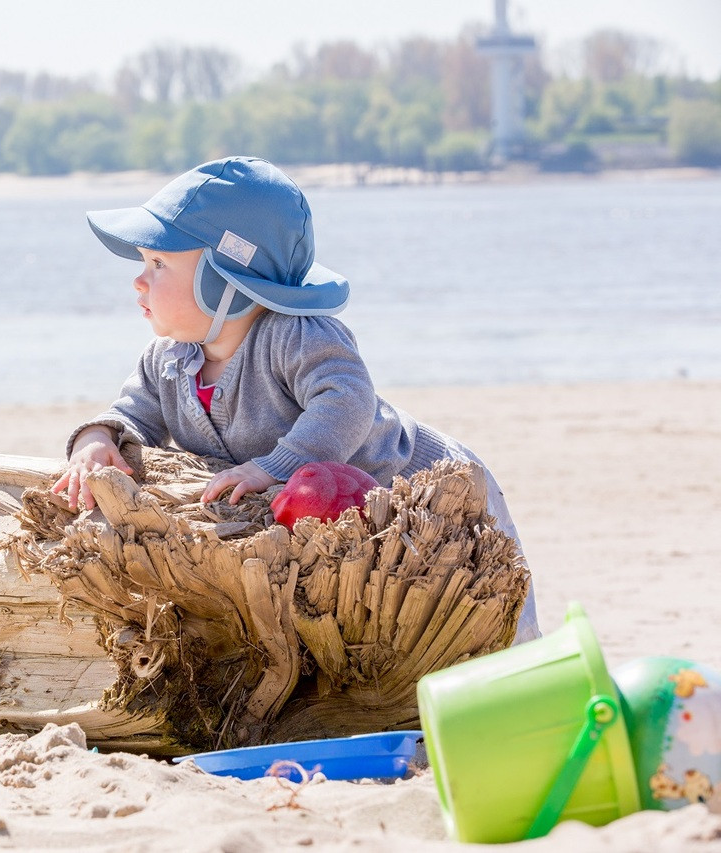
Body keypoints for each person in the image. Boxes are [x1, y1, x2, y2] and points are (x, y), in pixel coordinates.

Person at [50, 155, 540, 643]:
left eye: (159, 264)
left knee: (493, 623)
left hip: (428, 490)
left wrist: (275, 466)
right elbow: (132, 413)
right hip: (332, 520)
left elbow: (346, 399)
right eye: (143, 263)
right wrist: (97, 439)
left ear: (225, 279)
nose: (139, 280)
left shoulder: (294, 335)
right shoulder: (168, 360)